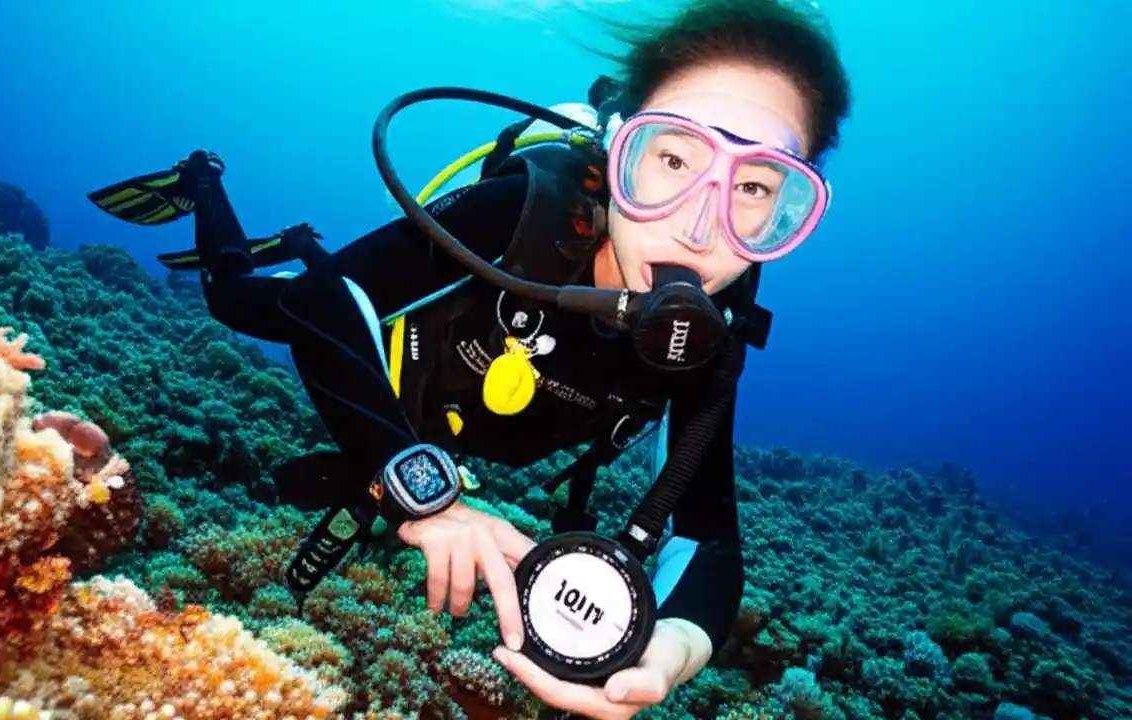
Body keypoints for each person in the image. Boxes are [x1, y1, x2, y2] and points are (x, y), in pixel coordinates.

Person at [88, 1, 851, 716]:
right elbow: (322, 306)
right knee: (242, 301)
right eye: (674, 159)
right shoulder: (526, 209)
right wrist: (426, 492)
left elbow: (707, 536)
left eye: (754, 186)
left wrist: (674, 647)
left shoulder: (705, 340)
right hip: (394, 357)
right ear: (621, 153)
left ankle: (301, 244)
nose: (696, 226)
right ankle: (205, 181)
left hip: (447, 416)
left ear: (788, 213)